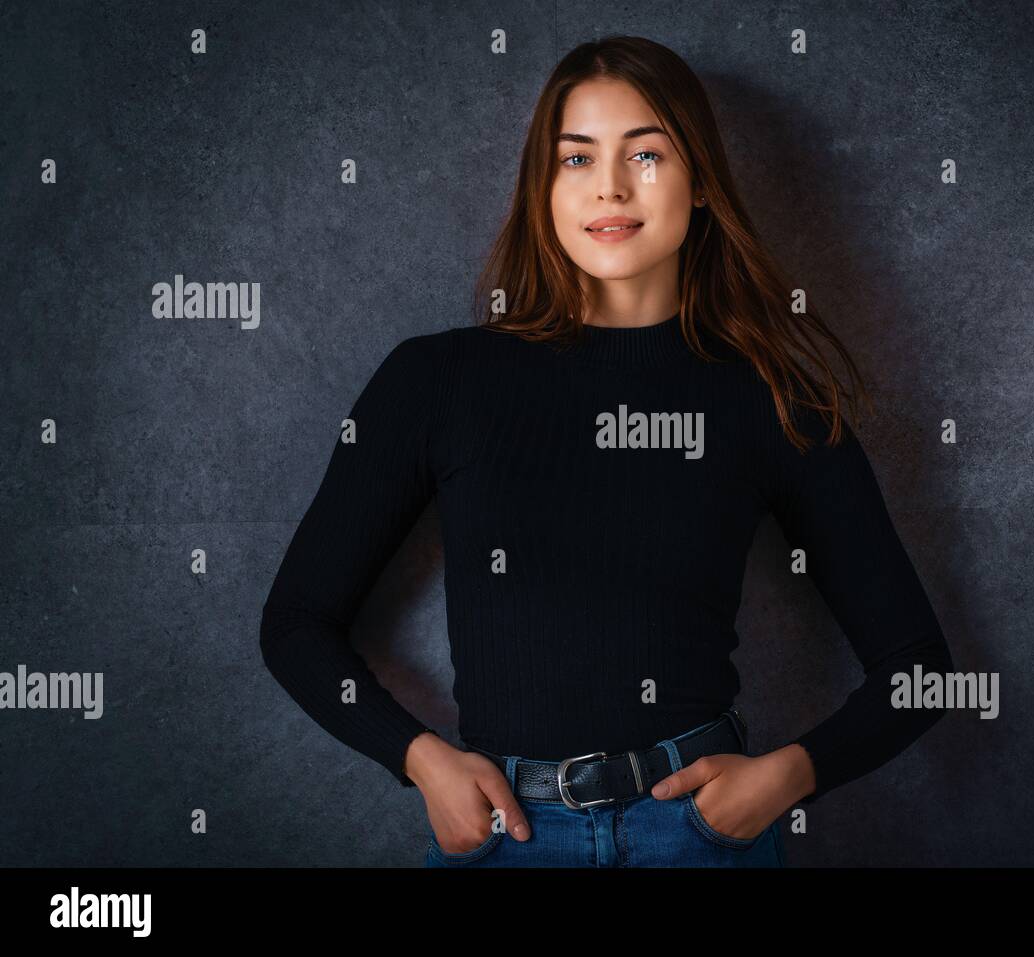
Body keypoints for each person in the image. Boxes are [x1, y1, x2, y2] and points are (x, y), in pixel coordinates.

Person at [259, 35, 955, 868]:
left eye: (647, 153)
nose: (611, 186)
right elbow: (296, 623)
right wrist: (420, 759)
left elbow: (920, 670)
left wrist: (783, 781)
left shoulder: (770, 398)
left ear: (700, 183)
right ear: (541, 188)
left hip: (698, 834)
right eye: (576, 157)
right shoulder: (439, 379)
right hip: (509, 834)